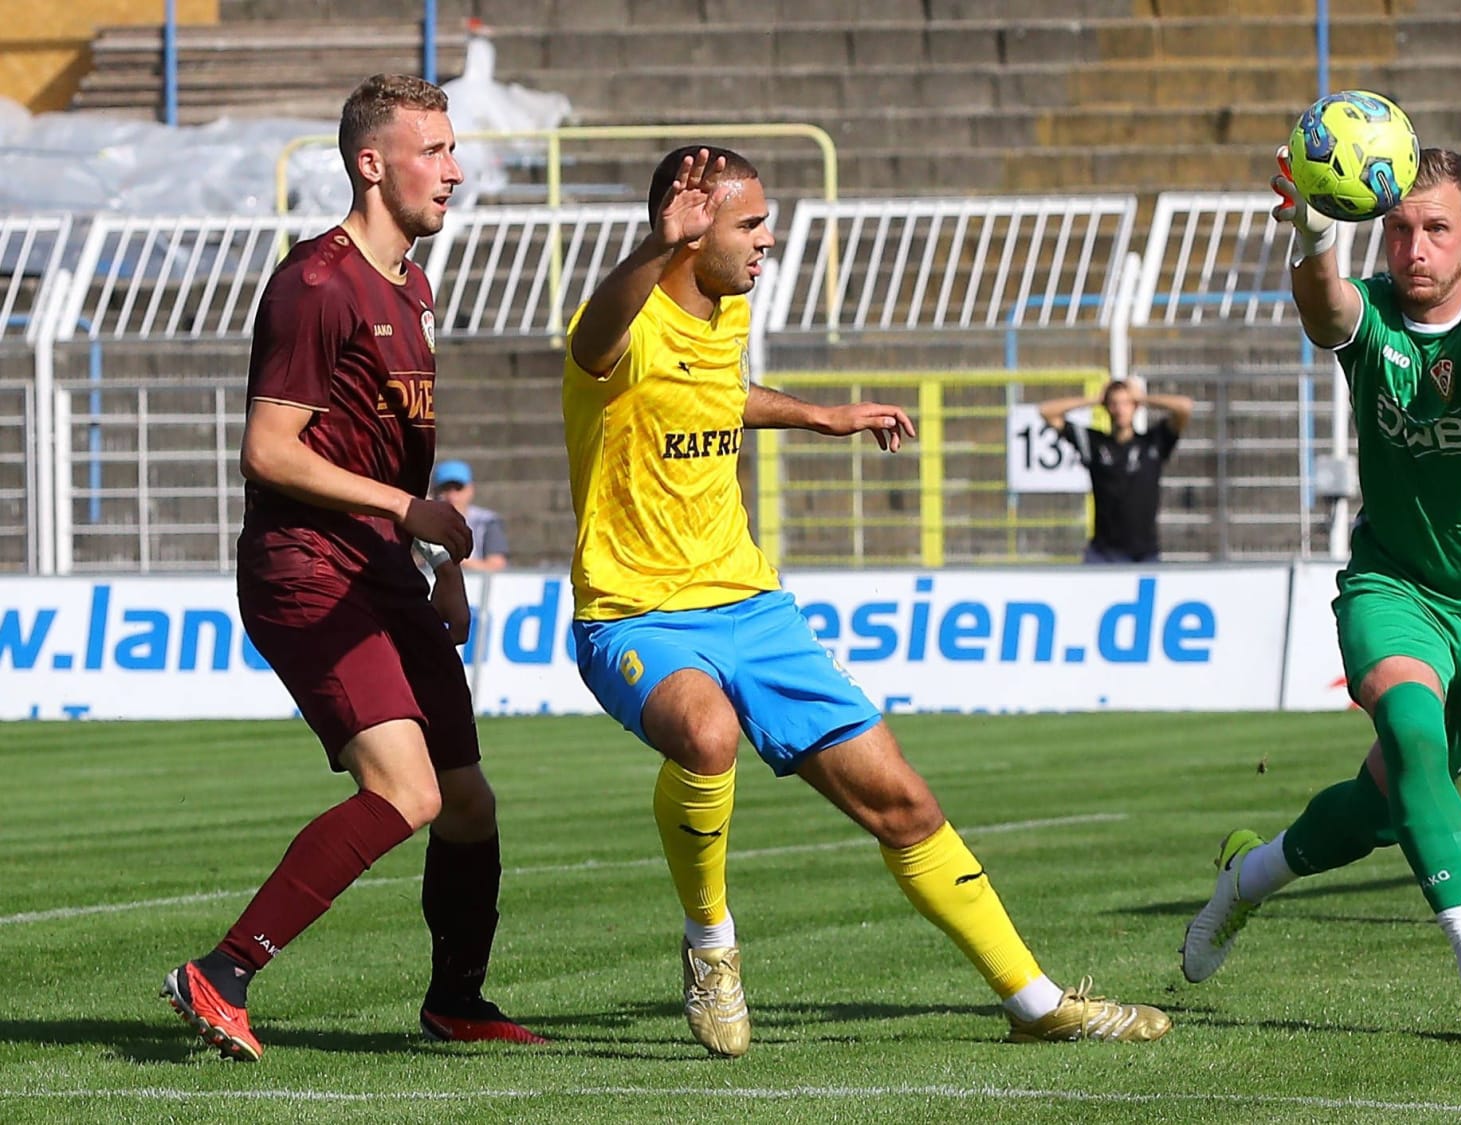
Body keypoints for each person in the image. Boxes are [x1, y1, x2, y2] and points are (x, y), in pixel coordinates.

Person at [562, 145, 1171, 1057]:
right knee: (708, 731)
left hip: (751, 607)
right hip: (634, 613)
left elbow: (716, 396)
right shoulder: (622, 317)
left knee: (906, 806)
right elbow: (593, 343)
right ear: (687, 231)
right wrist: (653, 249)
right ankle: (710, 945)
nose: (768, 239)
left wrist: (822, 416)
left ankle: (1035, 1000)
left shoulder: (727, 310)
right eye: (751, 224)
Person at [159, 74, 542, 1061]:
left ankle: (457, 998)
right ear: (372, 163)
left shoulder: (410, 281)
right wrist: (405, 512)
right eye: (435, 151)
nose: (455, 171)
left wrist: (434, 555)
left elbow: (396, 457)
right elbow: (270, 451)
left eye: (454, 150)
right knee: (407, 793)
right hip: (307, 566)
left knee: (466, 802)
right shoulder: (315, 284)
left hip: (385, 564)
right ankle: (223, 972)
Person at [1180, 147, 1461, 1038]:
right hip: (1393, 581)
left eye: (1437, 229)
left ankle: (1248, 877)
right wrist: (1311, 237)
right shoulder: (1370, 314)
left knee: (1385, 803)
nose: (1413, 248)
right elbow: (1325, 309)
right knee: (1410, 733)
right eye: (1399, 228)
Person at [1036, 380, 1193, 563]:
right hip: (1104, 554)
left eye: (1126, 403)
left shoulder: (1153, 442)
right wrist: (1094, 399)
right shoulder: (1093, 443)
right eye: (1114, 403)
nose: (1120, 409)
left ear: (1135, 406)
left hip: (1144, 554)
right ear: (1107, 407)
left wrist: (1142, 397)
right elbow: (1046, 411)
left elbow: (1184, 407)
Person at [431, 459, 509, 571]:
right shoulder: (420, 523)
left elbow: (496, 565)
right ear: (435, 492)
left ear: (470, 490)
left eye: (458, 488)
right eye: (445, 489)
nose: (452, 496)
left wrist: (449, 560)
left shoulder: (487, 522)